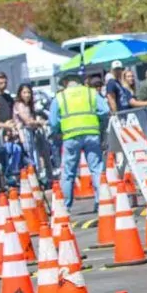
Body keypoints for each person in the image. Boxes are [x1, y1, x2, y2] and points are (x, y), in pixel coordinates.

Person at [48, 73, 109, 211]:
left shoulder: (60, 97)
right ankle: (102, 202)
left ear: (65, 83)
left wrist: (58, 130)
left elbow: (52, 121)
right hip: (92, 134)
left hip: (71, 136)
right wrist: (98, 122)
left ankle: (65, 207)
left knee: (69, 172)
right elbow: (105, 111)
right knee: (96, 169)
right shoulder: (91, 93)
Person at [0, 72, 24, 187]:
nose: (4, 84)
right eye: (1, 82)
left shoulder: (8, 97)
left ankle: (10, 178)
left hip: (9, 133)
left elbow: (12, 114)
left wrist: (13, 128)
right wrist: (5, 126)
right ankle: (2, 183)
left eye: (5, 82)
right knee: (2, 158)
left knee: (16, 151)